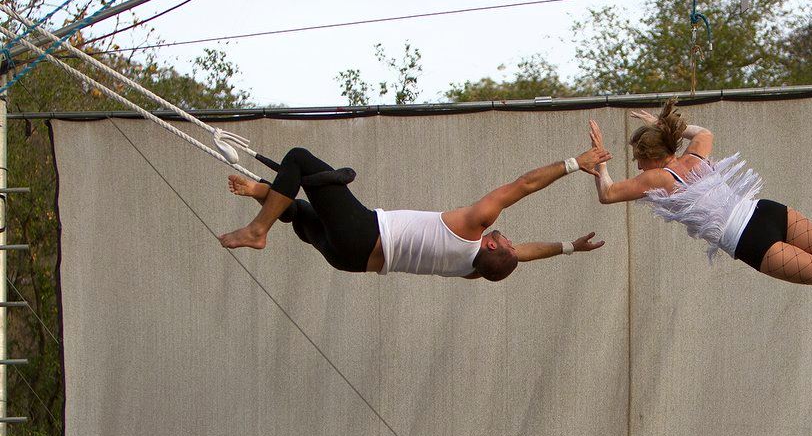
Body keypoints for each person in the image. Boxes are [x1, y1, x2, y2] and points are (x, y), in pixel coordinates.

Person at [585, 101, 812, 322]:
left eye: (637, 159)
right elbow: (702, 129)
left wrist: (599, 162)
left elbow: (608, 194)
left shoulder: (660, 178)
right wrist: (661, 125)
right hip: (765, 211)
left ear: (651, 156)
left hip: (751, 241)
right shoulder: (695, 155)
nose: (636, 166)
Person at [219, 144, 610, 281]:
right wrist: (568, 247)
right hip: (350, 260)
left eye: (504, 239)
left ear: (490, 242)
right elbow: (521, 253)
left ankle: (258, 229)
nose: (510, 239)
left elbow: (522, 185)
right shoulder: (473, 270)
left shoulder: (472, 225)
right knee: (302, 209)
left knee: (300, 159)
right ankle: (261, 192)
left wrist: (574, 163)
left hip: (366, 234)